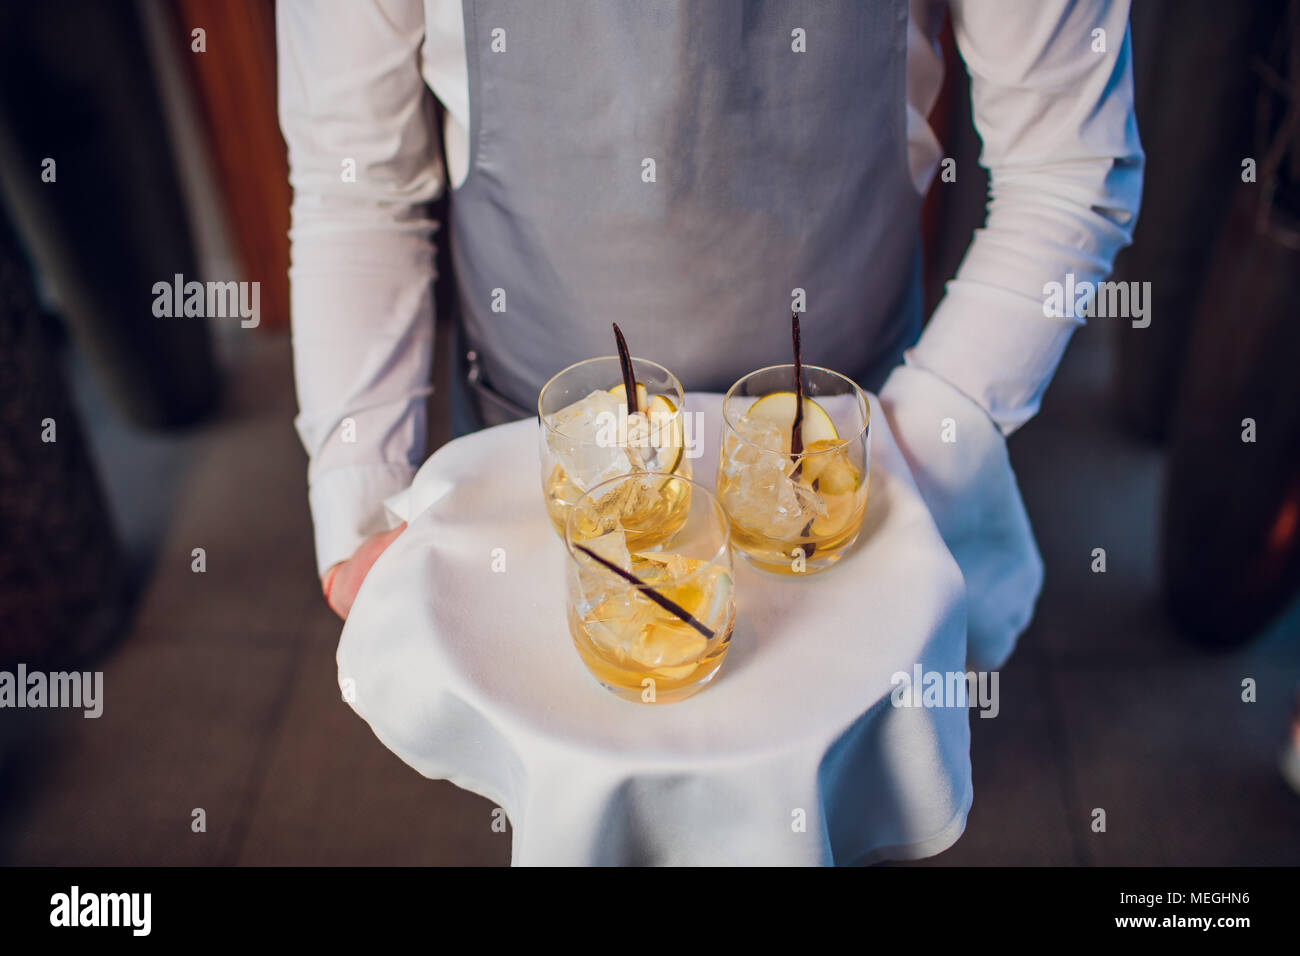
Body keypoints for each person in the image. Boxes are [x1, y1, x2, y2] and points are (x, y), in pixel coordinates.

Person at [278, 1, 1143, 631]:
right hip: (537, 455)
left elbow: (1067, 172)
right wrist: (358, 511)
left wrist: (918, 450)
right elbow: (356, 192)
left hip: (855, 453)